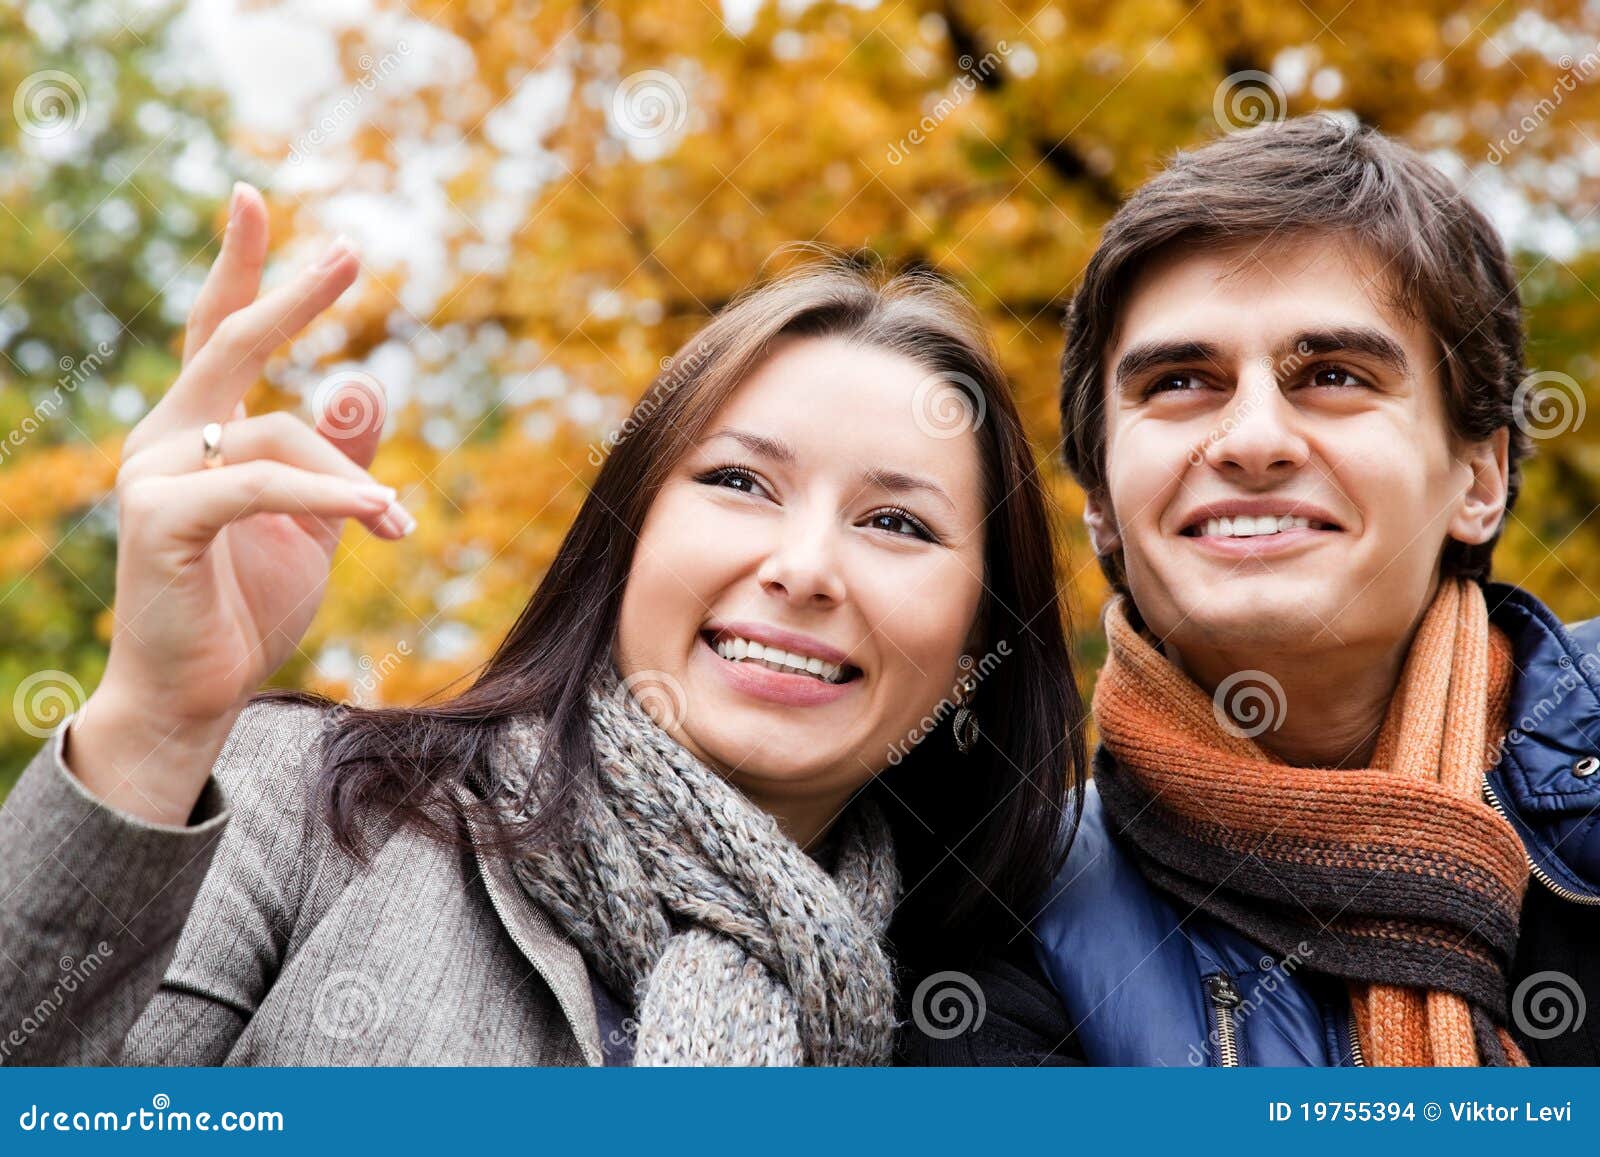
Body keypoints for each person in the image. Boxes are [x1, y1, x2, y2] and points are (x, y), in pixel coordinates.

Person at [0, 183, 1087, 1066]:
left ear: (976, 634)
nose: (802, 567)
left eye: (896, 521)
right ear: (627, 533)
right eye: (741, 482)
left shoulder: (992, 1028)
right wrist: (154, 719)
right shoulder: (309, 807)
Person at [907, 114, 1600, 1067]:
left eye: (1334, 375)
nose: (1250, 439)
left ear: (1476, 479)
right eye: (1182, 381)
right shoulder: (995, 919)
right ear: (1102, 501)